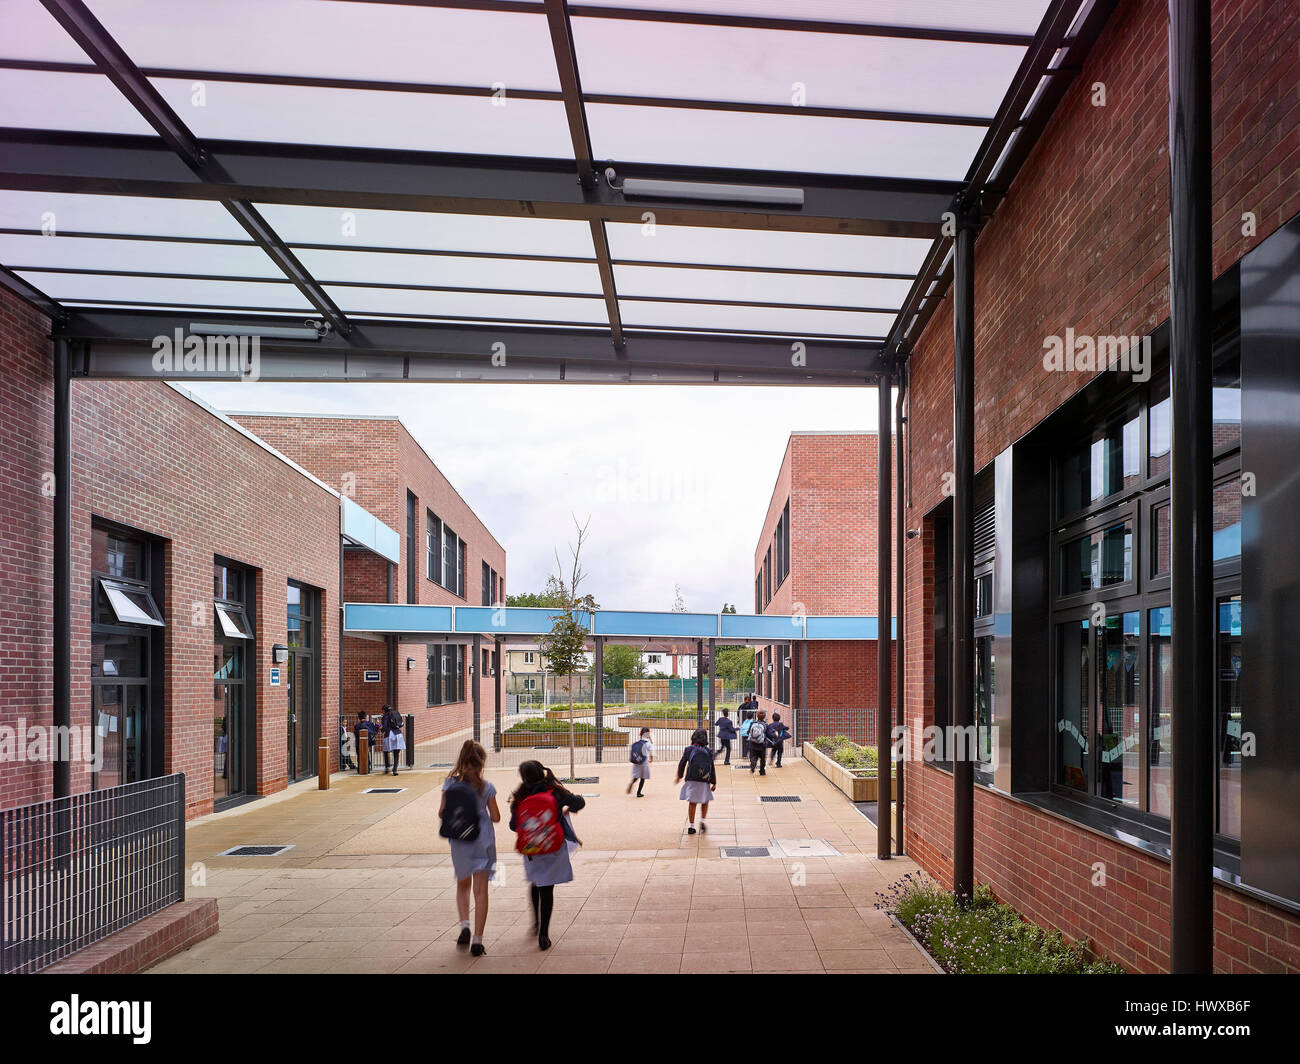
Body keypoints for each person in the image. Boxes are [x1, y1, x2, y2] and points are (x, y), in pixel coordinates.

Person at [509, 760, 586, 951]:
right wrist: (567, 809)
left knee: (535, 882)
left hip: (531, 849)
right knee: (547, 888)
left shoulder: (520, 796)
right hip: (553, 846)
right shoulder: (554, 791)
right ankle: (544, 934)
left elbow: (513, 825)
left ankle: (536, 923)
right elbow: (579, 802)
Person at [438, 740, 499, 957]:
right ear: (481, 762)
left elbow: (441, 812)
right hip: (482, 841)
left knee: (462, 885)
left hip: (460, 842)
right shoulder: (487, 787)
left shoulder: (449, 784)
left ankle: (464, 925)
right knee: (480, 891)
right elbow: (496, 817)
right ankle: (478, 941)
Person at [674, 728, 717, 835]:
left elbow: (682, 763)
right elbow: (712, 767)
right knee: (705, 801)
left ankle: (691, 826)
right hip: (704, 780)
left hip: (691, 779)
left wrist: (679, 776)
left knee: (692, 802)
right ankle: (702, 821)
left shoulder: (689, 749)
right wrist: (714, 782)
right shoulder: (708, 751)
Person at [379, 703, 405, 776]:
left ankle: (387, 767)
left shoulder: (385, 717)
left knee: (386, 751)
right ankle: (395, 770)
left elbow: (384, 728)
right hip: (398, 734)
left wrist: (378, 725)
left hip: (389, 735)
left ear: (384, 710)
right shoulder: (395, 714)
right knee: (396, 753)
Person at [626, 726, 653, 796]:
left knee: (636, 776)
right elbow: (650, 752)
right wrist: (651, 759)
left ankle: (632, 782)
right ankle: (639, 793)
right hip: (644, 762)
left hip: (637, 761)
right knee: (642, 777)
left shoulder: (637, 742)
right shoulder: (648, 743)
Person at [747, 709, 769, 776]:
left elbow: (748, 732)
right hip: (762, 745)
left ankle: (753, 762)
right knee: (762, 758)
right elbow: (768, 734)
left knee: (754, 756)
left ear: (757, 716)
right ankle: (762, 771)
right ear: (764, 717)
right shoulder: (765, 724)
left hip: (752, 743)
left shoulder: (753, 723)